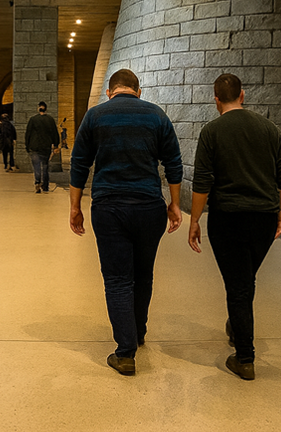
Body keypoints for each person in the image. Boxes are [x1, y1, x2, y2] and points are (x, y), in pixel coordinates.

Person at [69, 69, 183, 376]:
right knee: (143, 274)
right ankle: (138, 331)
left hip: (109, 207)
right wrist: (174, 204)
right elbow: (173, 163)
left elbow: (79, 163)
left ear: (110, 92)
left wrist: (75, 207)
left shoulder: (95, 116)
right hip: (149, 206)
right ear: (138, 91)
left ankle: (125, 351)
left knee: (118, 279)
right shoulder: (157, 115)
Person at [188, 73, 281, 381]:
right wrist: (279, 214)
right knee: (245, 278)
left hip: (228, 217)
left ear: (216, 100)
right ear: (242, 95)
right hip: (263, 217)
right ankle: (237, 327)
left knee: (238, 284)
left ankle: (245, 358)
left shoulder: (212, 131)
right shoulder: (269, 129)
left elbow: (202, 183)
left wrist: (194, 220)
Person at [25, 101, 60, 193]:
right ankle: (45, 185)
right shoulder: (50, 120)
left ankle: (37, 182)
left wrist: (27, 145)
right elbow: (54, 133)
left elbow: (28, 133)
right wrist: (56, 145)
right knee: (45, 166)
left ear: (38, 109)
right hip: (46, 146)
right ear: (46, 109)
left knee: (36, 166)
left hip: (34, 146)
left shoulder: (33, 119)